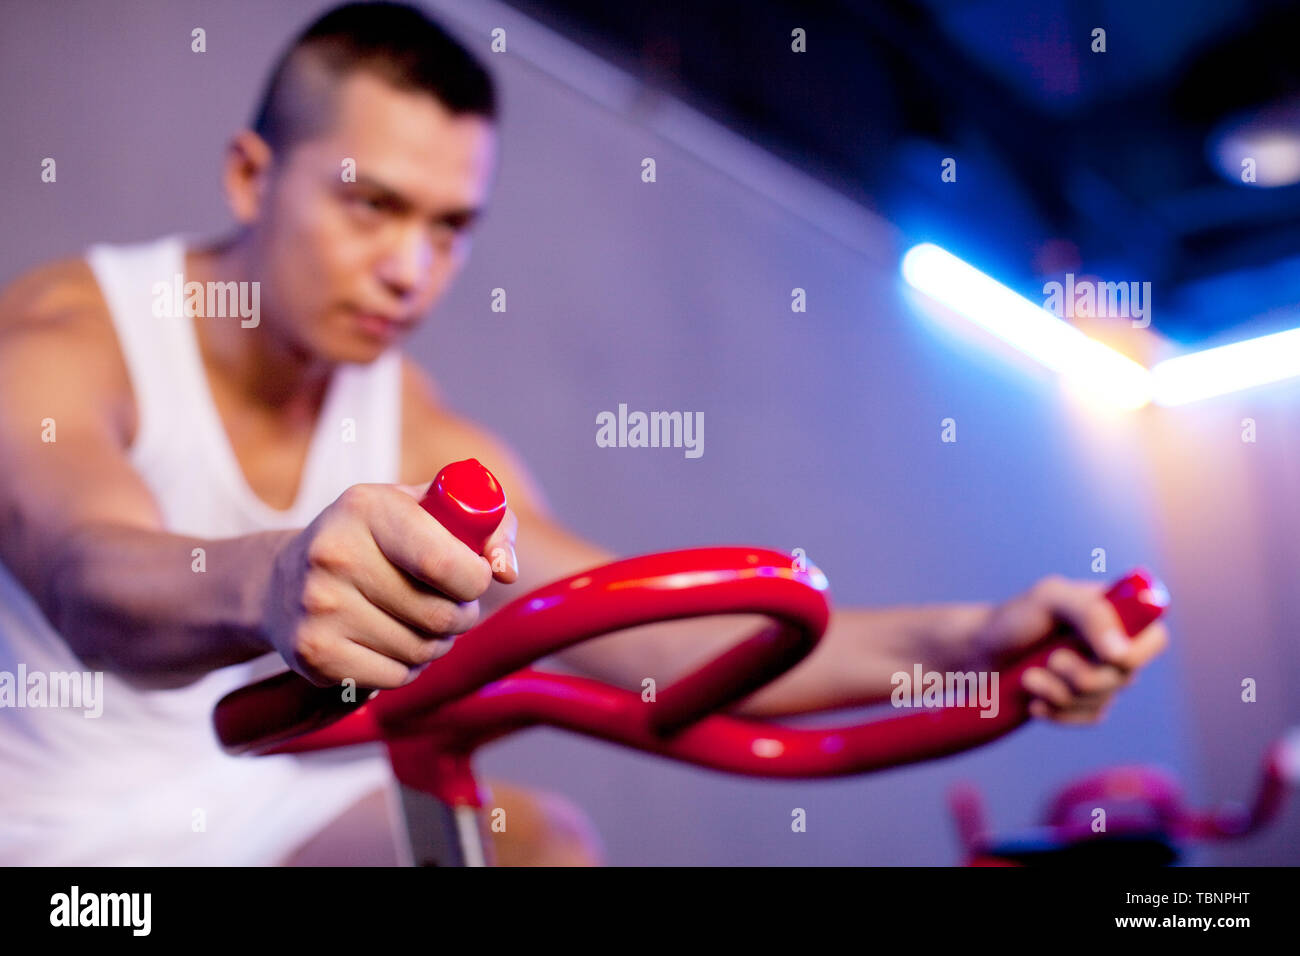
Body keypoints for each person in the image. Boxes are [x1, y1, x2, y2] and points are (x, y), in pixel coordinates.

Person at [0, 1, 1168, 866]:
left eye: (451, 227)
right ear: (254, 177)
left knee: (540, 842)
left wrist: (973, 638)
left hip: (249, 793)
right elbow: (87, 577)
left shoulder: (410, 424)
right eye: (371, 205)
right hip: (54, 831)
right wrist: (272, 575)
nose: (411, 269)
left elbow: (668, 648)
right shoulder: (64, 335)